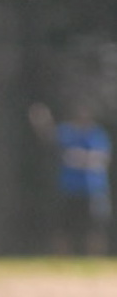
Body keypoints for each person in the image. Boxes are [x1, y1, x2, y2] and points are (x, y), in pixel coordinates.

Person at [29, 100, 112, 256]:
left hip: (93, 190)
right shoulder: (66, 132)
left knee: (94, 230)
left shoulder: (97, 134)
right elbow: (49, 137)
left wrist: (78, 158)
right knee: (63, 228)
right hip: (69, 189)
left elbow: (101, 158)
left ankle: (95, 262)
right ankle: (62, 261)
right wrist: (41, 121)